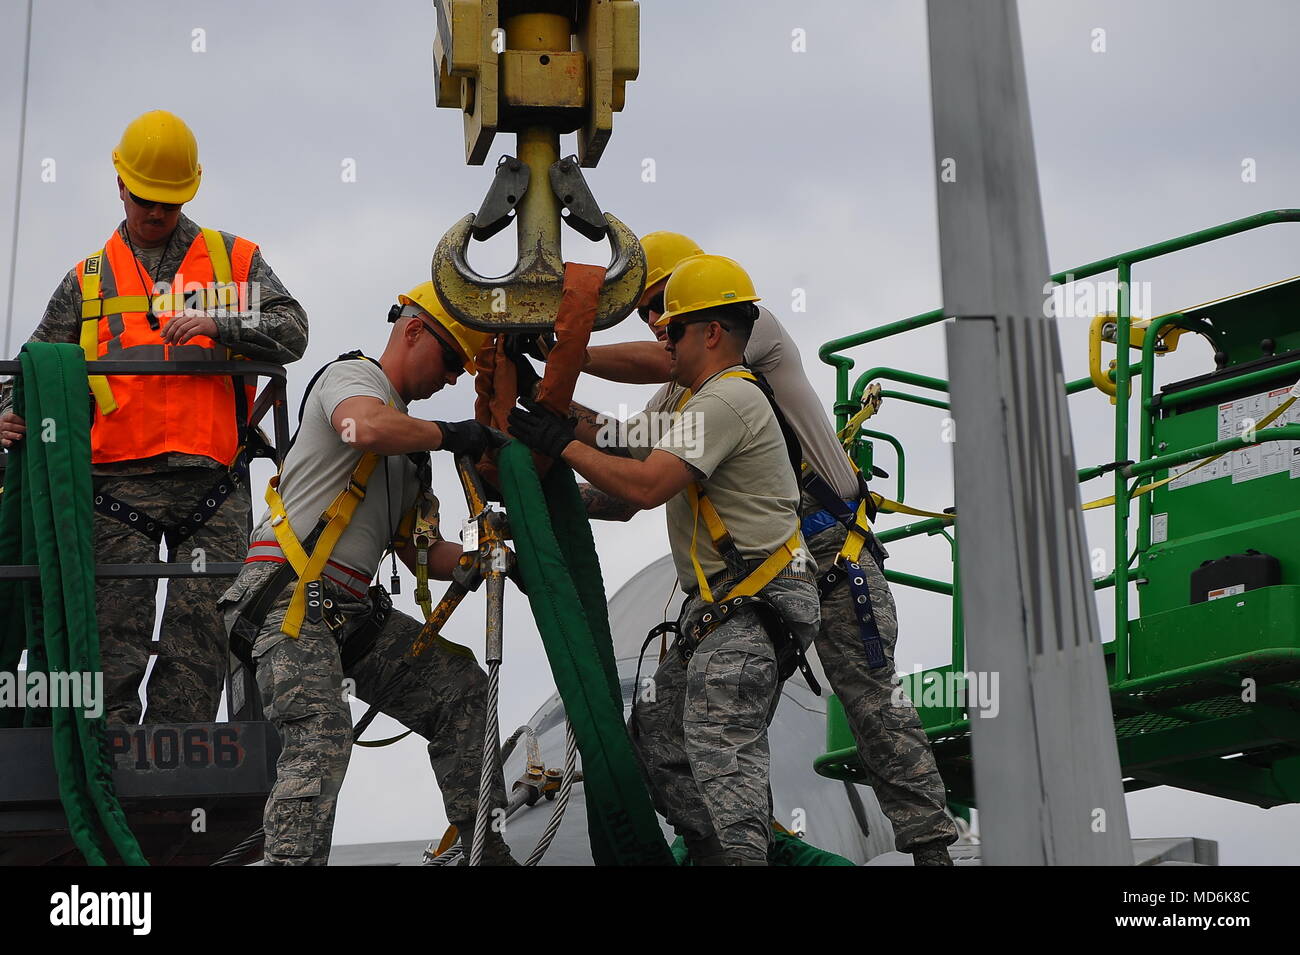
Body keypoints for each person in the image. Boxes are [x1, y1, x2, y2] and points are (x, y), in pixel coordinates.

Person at [574, 232, 959, 865]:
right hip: (751, 584)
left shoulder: (751, 332)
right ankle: (723, 850)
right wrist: (552, 453)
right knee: (680, 726)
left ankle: (932, 851)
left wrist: (573, 354)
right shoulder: (685, 395)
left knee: (869, 703)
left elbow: (650, 373)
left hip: (830, 553)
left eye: (662, 309)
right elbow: (637, 462)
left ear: (703, 318)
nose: (656, 325)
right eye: (648, 313)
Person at [510, 255, 820, 866]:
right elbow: (625, 447)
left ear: (710, 333)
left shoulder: (729, 399)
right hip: (725, 610)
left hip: (757, 605)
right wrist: (547, 402)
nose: (662, 339)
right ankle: (713, 855)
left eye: (672, 329)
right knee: (655, 739)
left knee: (718, 748)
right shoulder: (696, 402)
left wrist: (559, 441)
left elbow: (646, 485)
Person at [0, 110, 307, 725]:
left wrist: (224, 324)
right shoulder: (85, 280)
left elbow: (293, 331)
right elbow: (30, 369)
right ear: (120, 185)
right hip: (117, 486)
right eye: (145, 200)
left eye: (168, 202)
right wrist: (6, 413)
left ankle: (178, 755)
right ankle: (110, 757)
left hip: (212, 482)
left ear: (188, 192)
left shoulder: (233, 262)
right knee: (113, 635)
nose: (156, 214)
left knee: (202, 636)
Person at [220, 282, 515, 865]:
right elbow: (362, 429)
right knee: (321, 736)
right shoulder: (353, 381)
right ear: (411, 331)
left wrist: (489, 559)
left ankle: (486, 849)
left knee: (462, 693)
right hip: (289, 598)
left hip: (350, 613)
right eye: (450, 359)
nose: (452, 377)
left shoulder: (409, 451)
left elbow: (418, 551)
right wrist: (452, 433)